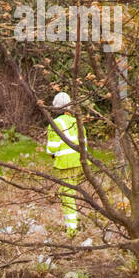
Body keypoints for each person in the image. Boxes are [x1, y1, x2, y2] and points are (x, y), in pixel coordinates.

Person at [46, 92, 86, 237]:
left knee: (67, 197)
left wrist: (51, 152)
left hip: (65, 164)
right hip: (80, 163)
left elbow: (51, 148)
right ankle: (76, 221)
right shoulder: (76, 122)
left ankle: (71, 230)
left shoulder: (55, 124)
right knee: (74, 194)